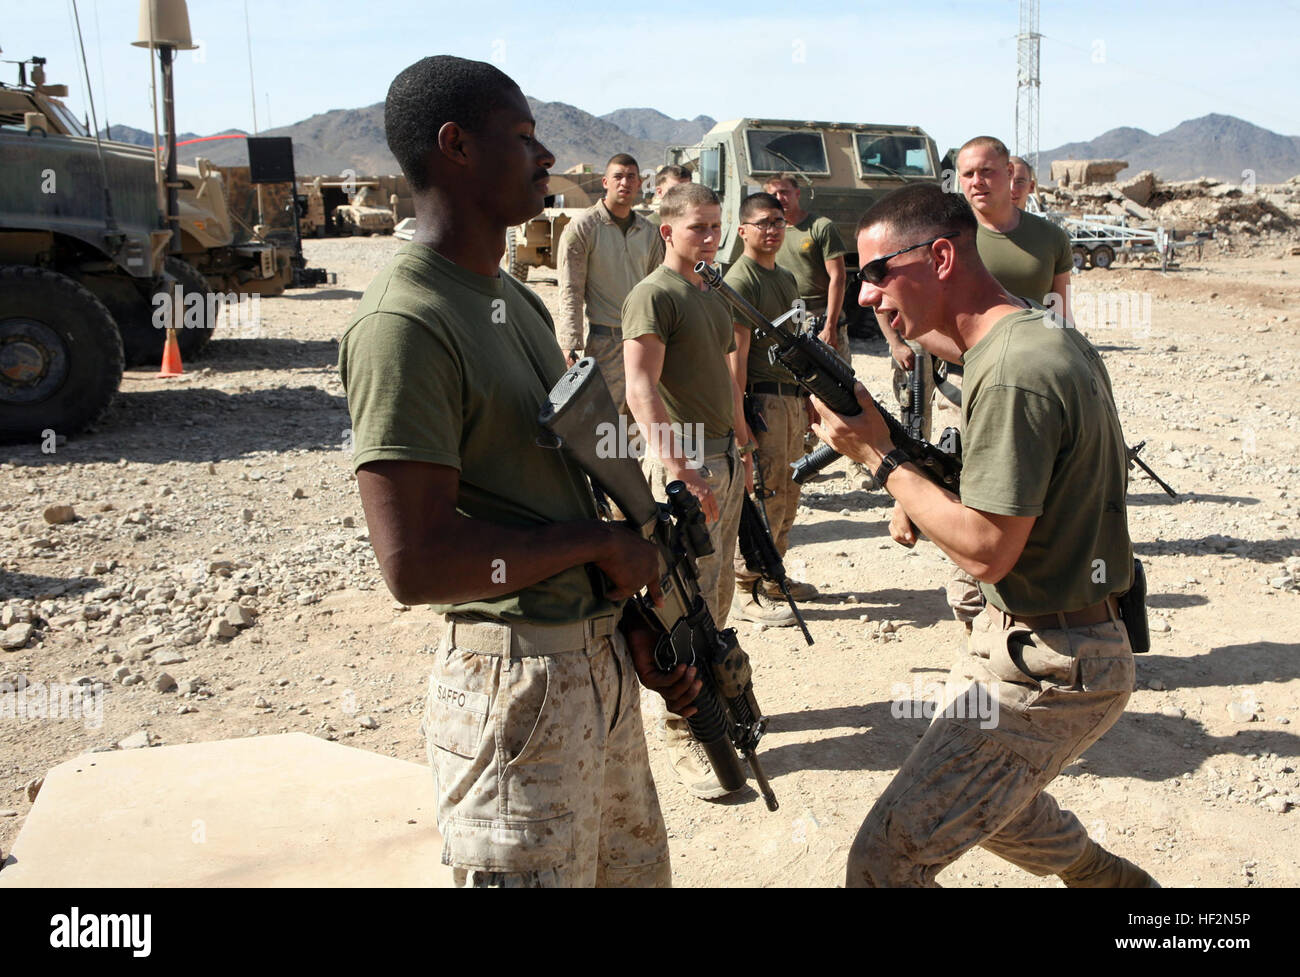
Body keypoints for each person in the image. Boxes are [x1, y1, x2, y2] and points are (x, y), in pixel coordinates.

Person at [338, 55, 698, 888]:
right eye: (525, 137)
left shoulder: (509, 299)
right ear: (455, 146)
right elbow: (414, 560)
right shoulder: (404, 321)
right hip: (514, 693)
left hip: (591, 667)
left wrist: (618, 610)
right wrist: (594, 545)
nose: (545, 157)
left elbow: (555, 480)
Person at [809, 182, 1157, 889]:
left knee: (884, 861)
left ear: (940, 255)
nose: (867, 295)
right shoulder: (1031, 336)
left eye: (878, 273)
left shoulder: (1012, 375)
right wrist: (916, 464)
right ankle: (1109, 883)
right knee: (992, 803)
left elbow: (985, 547)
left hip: (1053, 667)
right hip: (1042, 639)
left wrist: (879, 458)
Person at [881, 136, 1075, 628]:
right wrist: (899, 345)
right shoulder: (951, 237)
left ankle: (1031, 601)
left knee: (1037, 493)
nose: (975, 182)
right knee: (970, 492)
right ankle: (976, 610)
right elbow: (904, 304)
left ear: (1010, 174)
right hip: (961, 387)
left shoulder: (1048, 237)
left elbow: (1060, 310)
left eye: (986, 172)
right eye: (966, 174)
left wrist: (1070, 363)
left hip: (1031, 377)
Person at [622, 181, 754, 800]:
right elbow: (640, 388)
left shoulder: (710, 291)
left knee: (717, 592)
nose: (710, 237)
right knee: (682, 604)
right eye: (698, 227)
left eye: (715, 227)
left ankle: (715, 713)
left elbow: (729, 377)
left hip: (723, 458)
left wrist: (744, 446)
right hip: (689, 462)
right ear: (667, 230)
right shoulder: (655, 295)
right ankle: (686, 736)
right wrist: (679, 468)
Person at [724, 192, 816, 627]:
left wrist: (809, 398)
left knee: (790, 489)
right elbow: (735, 358)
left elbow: (797, 344)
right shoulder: (741, 280)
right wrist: (740, 422)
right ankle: (747, 585)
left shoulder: (784, 277)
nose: (772, 230)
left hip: (791, 399)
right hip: (763, 400)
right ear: (743, 230)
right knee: (765, 493)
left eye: (778, 222)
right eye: (762, 223)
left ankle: (774, 575)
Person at [556, 154, 664, 414]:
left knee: (639, 420)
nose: (624, 183)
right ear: (605, 182)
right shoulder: (583, 228)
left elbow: (658, 288)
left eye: (631, 177)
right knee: (603, 421)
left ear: (640, 184)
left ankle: (632, 458)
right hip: (605, 343)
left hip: (643, 341)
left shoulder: (648, 232)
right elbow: (570, 288)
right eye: (618, 176)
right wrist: (570, 343)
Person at [763, 173, 850, 362]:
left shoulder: (820, 227)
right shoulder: (769, 233)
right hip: (785, 316)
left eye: (784, 192)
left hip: (818, 315)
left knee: (835, 382)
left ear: (797, 193)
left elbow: (838, 277)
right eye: (774, 194)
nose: (780, 198)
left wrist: (830, 325)